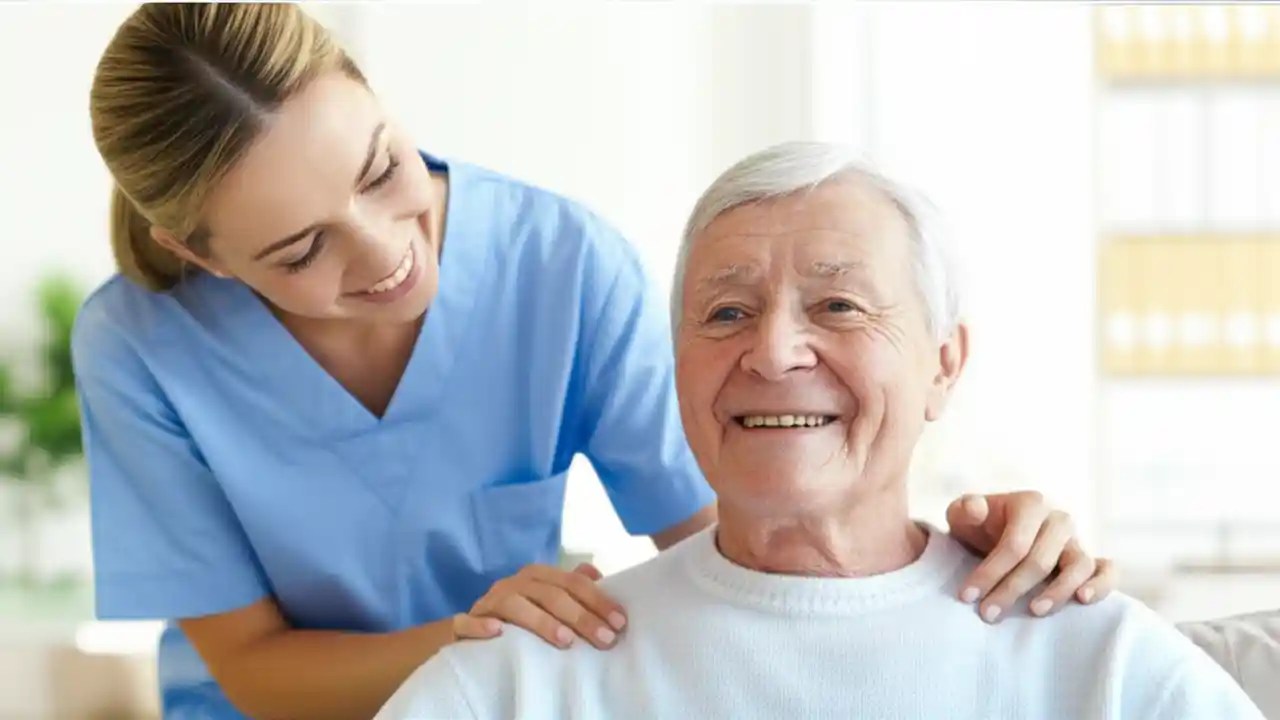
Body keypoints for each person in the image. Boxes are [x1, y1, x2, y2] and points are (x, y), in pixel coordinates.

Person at [74, 5, 1115, 719]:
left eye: (383, 168)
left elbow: (754, 545)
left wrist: (966, 559)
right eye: (300, 250)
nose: (388, 249)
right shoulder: (140, 347)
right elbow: (254, 676)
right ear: (197, 254)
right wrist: (474, 637)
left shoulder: (558, 263)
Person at [375, 141, 1263, 720]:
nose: (773, 350)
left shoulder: (1095, 656)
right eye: (725, 312)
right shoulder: (530, 675)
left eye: (838, 304)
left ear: (943, 365)